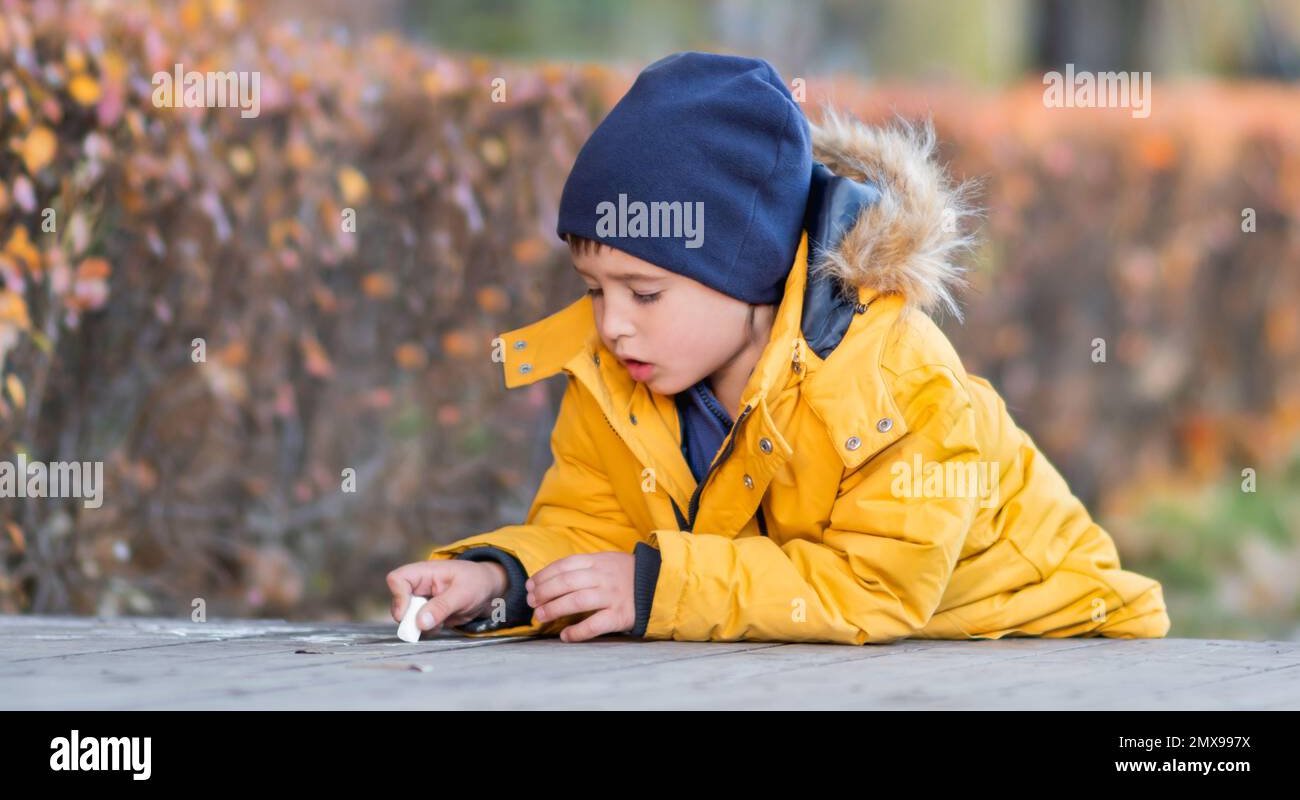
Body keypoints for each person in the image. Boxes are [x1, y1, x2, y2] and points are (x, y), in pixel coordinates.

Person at [387, 51, 1171, 644]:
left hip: (1059, 639)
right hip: (871, 657)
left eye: (645, 292)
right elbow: (595, 537)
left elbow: (873, 586)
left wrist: (660, 588)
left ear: (747, 268)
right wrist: (499, 580)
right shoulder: (616, 377)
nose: (612, 323)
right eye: (595, 291)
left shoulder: (893, 378)